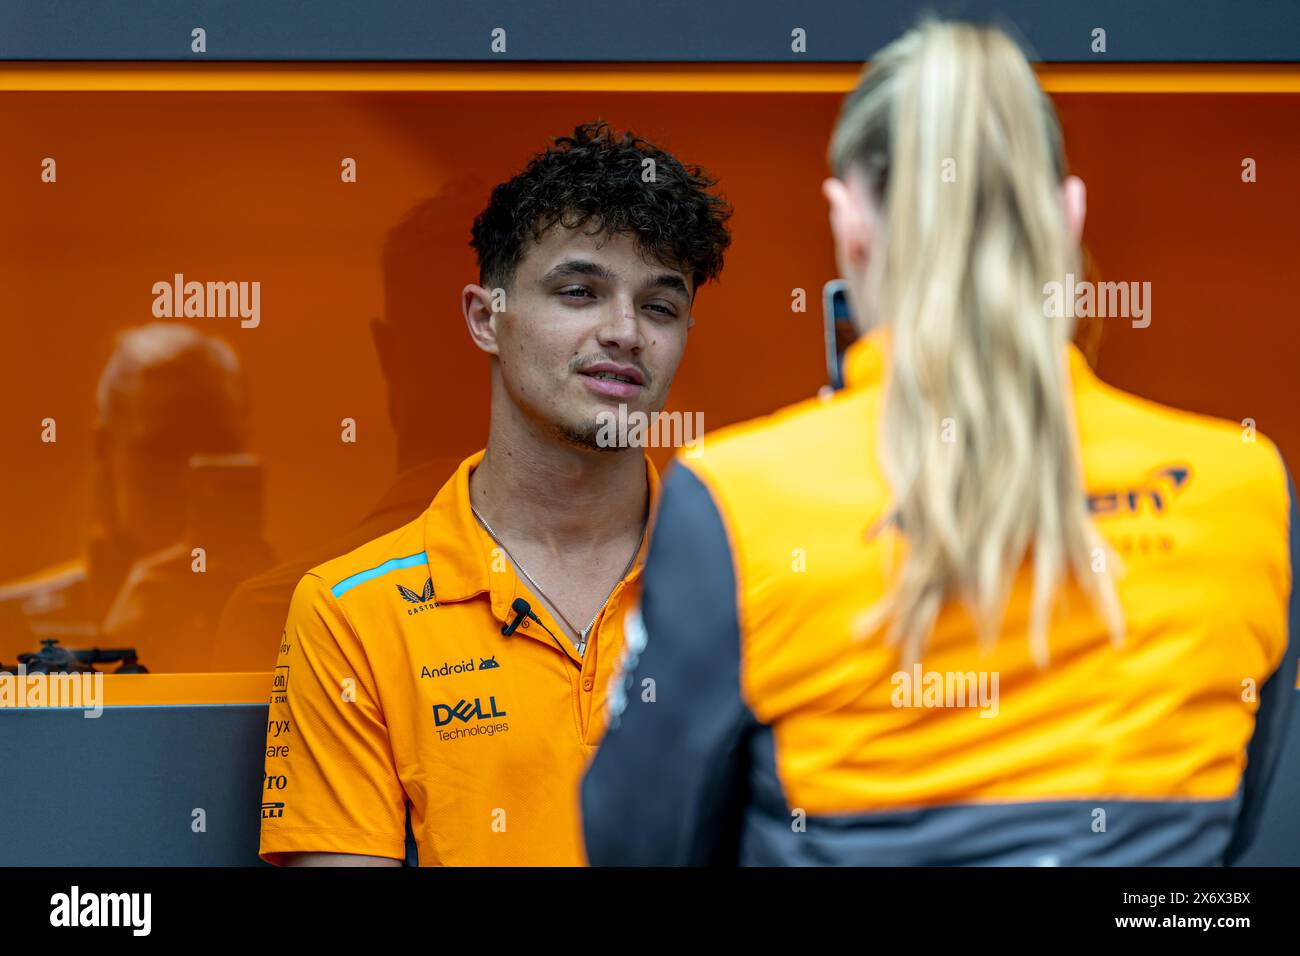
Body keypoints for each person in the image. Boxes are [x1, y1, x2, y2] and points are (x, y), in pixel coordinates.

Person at [581, 20, 1297, 866]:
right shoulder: (1245, 484)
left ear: (850, 222)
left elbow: (637, 840)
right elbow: (1263, 837)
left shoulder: (738, 499)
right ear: (1067, 215)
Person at [259, 120, 732, 866]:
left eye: (660, 306)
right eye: (579, 292)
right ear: (487, 318)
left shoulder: (752, 583)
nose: (624, 332)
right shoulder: (354, 611)